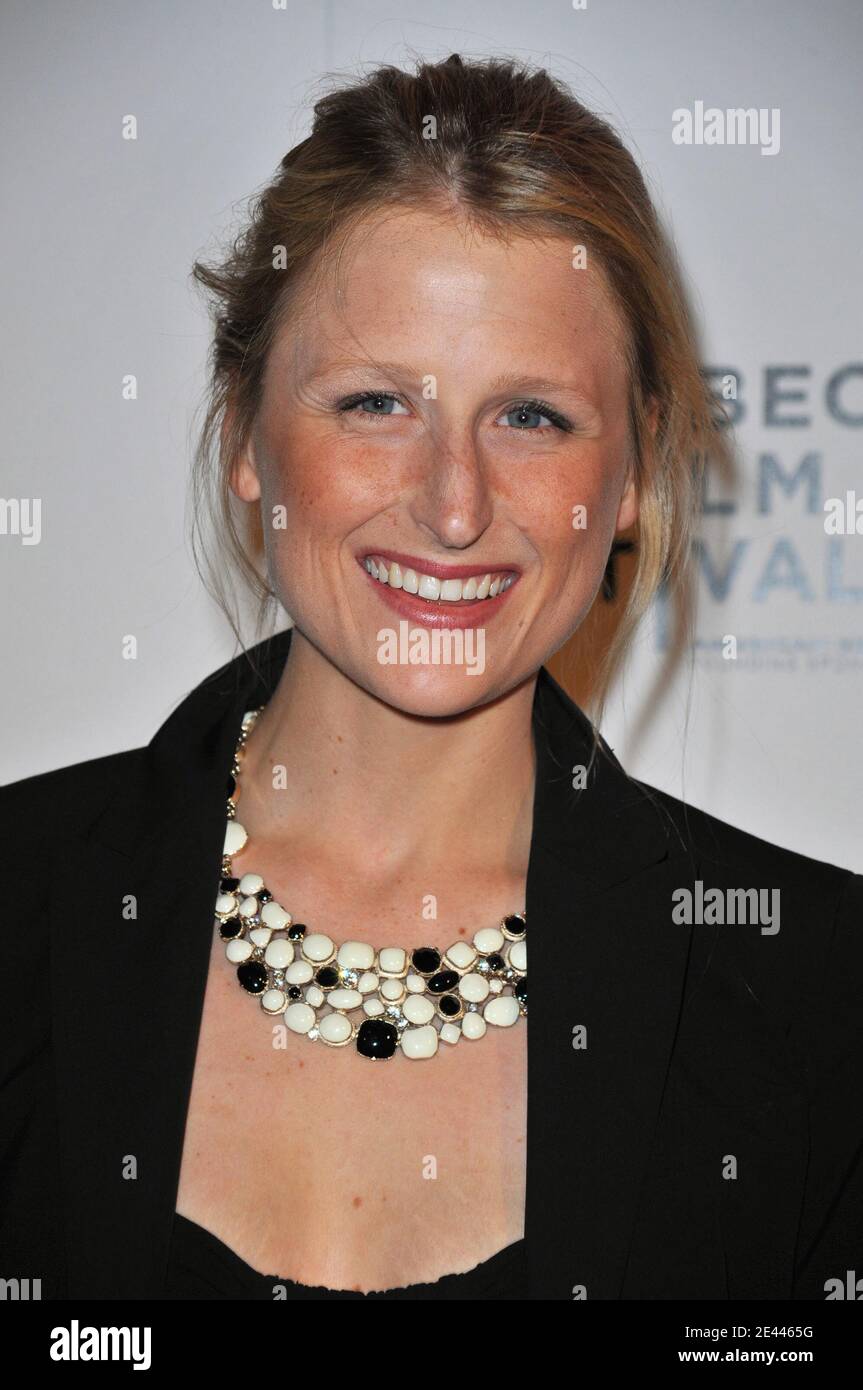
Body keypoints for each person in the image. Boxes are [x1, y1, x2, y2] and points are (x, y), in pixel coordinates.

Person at [2, 53, 861, 1303]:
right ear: (245, 434)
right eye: (372, 402)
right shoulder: (20, 900)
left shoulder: (820, 1002)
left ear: (628, 480)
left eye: (531, 417)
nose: (453, 506)